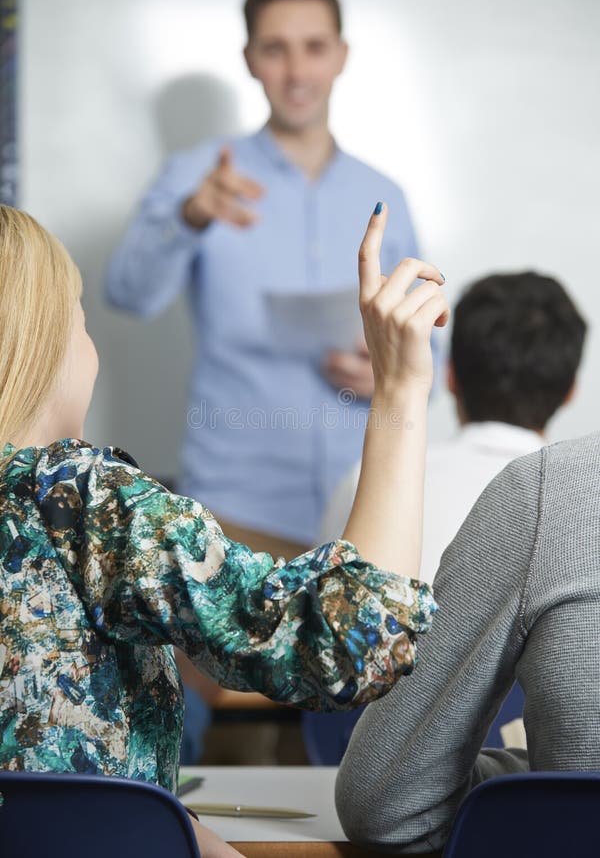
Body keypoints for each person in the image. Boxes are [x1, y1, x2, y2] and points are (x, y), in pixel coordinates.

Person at [0, 203, 447, 857]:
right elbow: (353, 643)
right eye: (82, 321)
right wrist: (401, 389)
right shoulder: (80, 497)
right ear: (42, 342)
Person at [106, 0, 422, 558]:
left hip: (364, 512)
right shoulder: (198, 178)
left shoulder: (386, 195)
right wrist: (190, 217)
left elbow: (427, 340)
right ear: (250, 58)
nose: (297, 73)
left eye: (314, 47)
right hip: (233, 515)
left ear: (342, 56)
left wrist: (388, 373)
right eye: (276, 49)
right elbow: (127, 293)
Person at [335, 322, 599, 848]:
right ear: (571, 389)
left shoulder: (548, 495)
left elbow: (384, 801)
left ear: (450, 377)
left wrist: (548, 780)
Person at [320, 271, 587, 583]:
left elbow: (319, 608)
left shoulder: (365, 481)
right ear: (571, 392)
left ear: (449, 376)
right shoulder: (583, 515)